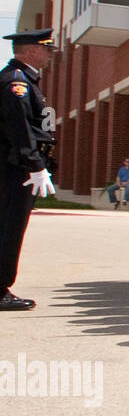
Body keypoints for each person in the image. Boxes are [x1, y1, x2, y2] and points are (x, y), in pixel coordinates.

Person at [0, 28, 57, 310]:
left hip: (16, 167)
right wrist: (35, 165)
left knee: (9, 226)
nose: (50, 54)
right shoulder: (17, 83)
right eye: (47, 49)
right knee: (9, 228)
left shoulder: (22, 79)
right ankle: (0, 290)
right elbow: (20, 129)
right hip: (15, 169)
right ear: (32, 50)